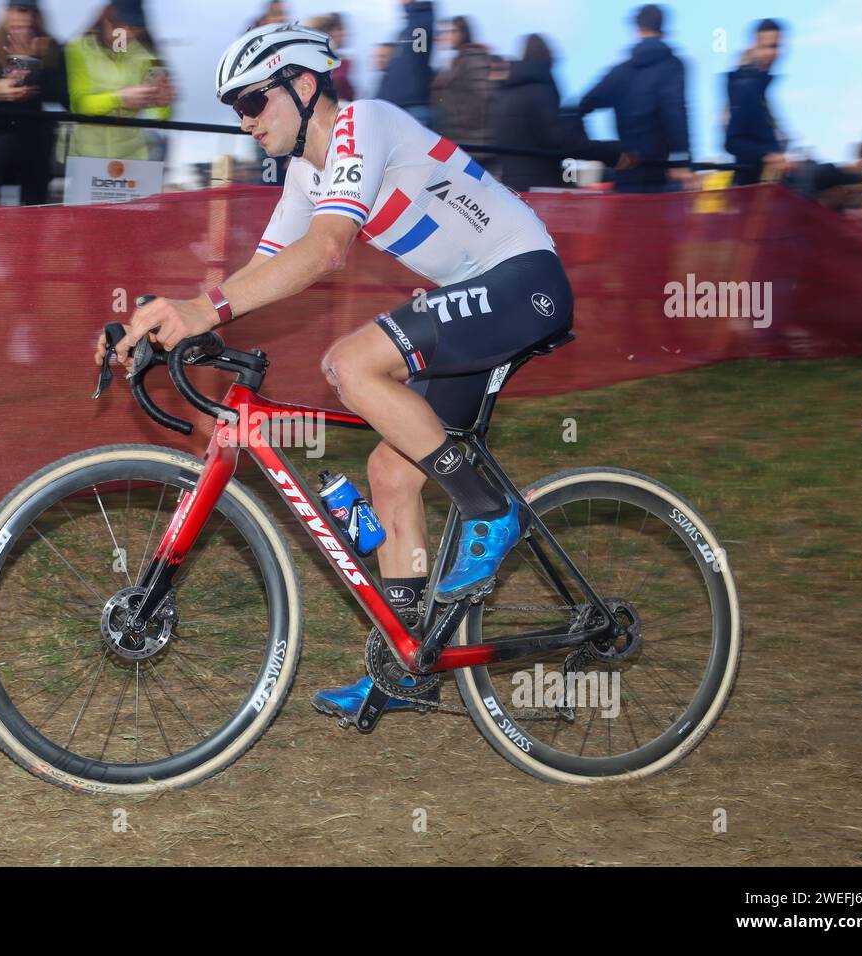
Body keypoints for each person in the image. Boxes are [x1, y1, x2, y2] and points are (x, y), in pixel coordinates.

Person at [95, 22, 581, 718]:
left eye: (254, 101)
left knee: (350, 363)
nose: (244, 121)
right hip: (479, 299)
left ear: (302, 82)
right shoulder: (306, 173)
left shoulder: (362, 123)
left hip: (522, 279)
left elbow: (325, 252)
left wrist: (203, 310)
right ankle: (408, 666)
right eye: (235, 108)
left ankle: (489, 510)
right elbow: (262, 272)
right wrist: (166, 320)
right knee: (388, 473)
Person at [0, 0, 68, 205]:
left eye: (26, 13)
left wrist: (39, 66)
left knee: (36, 202)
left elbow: (65, 99)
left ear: (37, 17)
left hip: (37, 139)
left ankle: (31, 234)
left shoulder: (53, 47)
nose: (20, 18)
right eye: (14, 11)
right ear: (4, 14)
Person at [485, 34, 625, 191]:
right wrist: (612, 152)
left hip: (512, 188)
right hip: (542, 188)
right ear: (548, 58)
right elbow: (560, 141)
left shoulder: (504, 93)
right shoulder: (541, 90)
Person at [576, 4, 693, 192]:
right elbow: (675, 112)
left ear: (637, 29)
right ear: (663, 28)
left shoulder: (620, 72)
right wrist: (681, 161)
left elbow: (578, 108)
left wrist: (601, 151)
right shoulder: (672, 66)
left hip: (627, 170)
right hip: (660, 173)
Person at [64, 0, 175, 161]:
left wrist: (162, 101)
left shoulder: (146, 56)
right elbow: (79, 104)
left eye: (134, 27)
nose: (128, 34)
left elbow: (161, 116)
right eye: (122, 26)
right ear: (106, 19)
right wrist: (120, 98)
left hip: (132, 158)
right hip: (86, 155)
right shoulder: (77, 48)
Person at [725, 18, 789, 186]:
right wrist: (769, 155)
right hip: (753, 188)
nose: (772, 53)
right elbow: (732, 142)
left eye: (776, 46)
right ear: (754, 47)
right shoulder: (744, 85)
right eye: (767, 46)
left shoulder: (757, 84)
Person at [430, 16, 491, 164]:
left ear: (463, 33)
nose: (446, 36)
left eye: (452, 31)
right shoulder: (457, 60)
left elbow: (483, 95)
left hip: (472, 140)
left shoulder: (473, 57)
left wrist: (466, 121)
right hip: (460, 139)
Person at [376, 0, 436, 125]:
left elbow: (417, 57)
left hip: (413, 108)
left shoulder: (421, 26)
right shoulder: (406, 31)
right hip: (397, 108)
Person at [304, 14, 355, 101]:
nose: (344, 33)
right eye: (339, 29)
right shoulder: (315, 63)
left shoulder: (345, 62)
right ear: (328, 33)